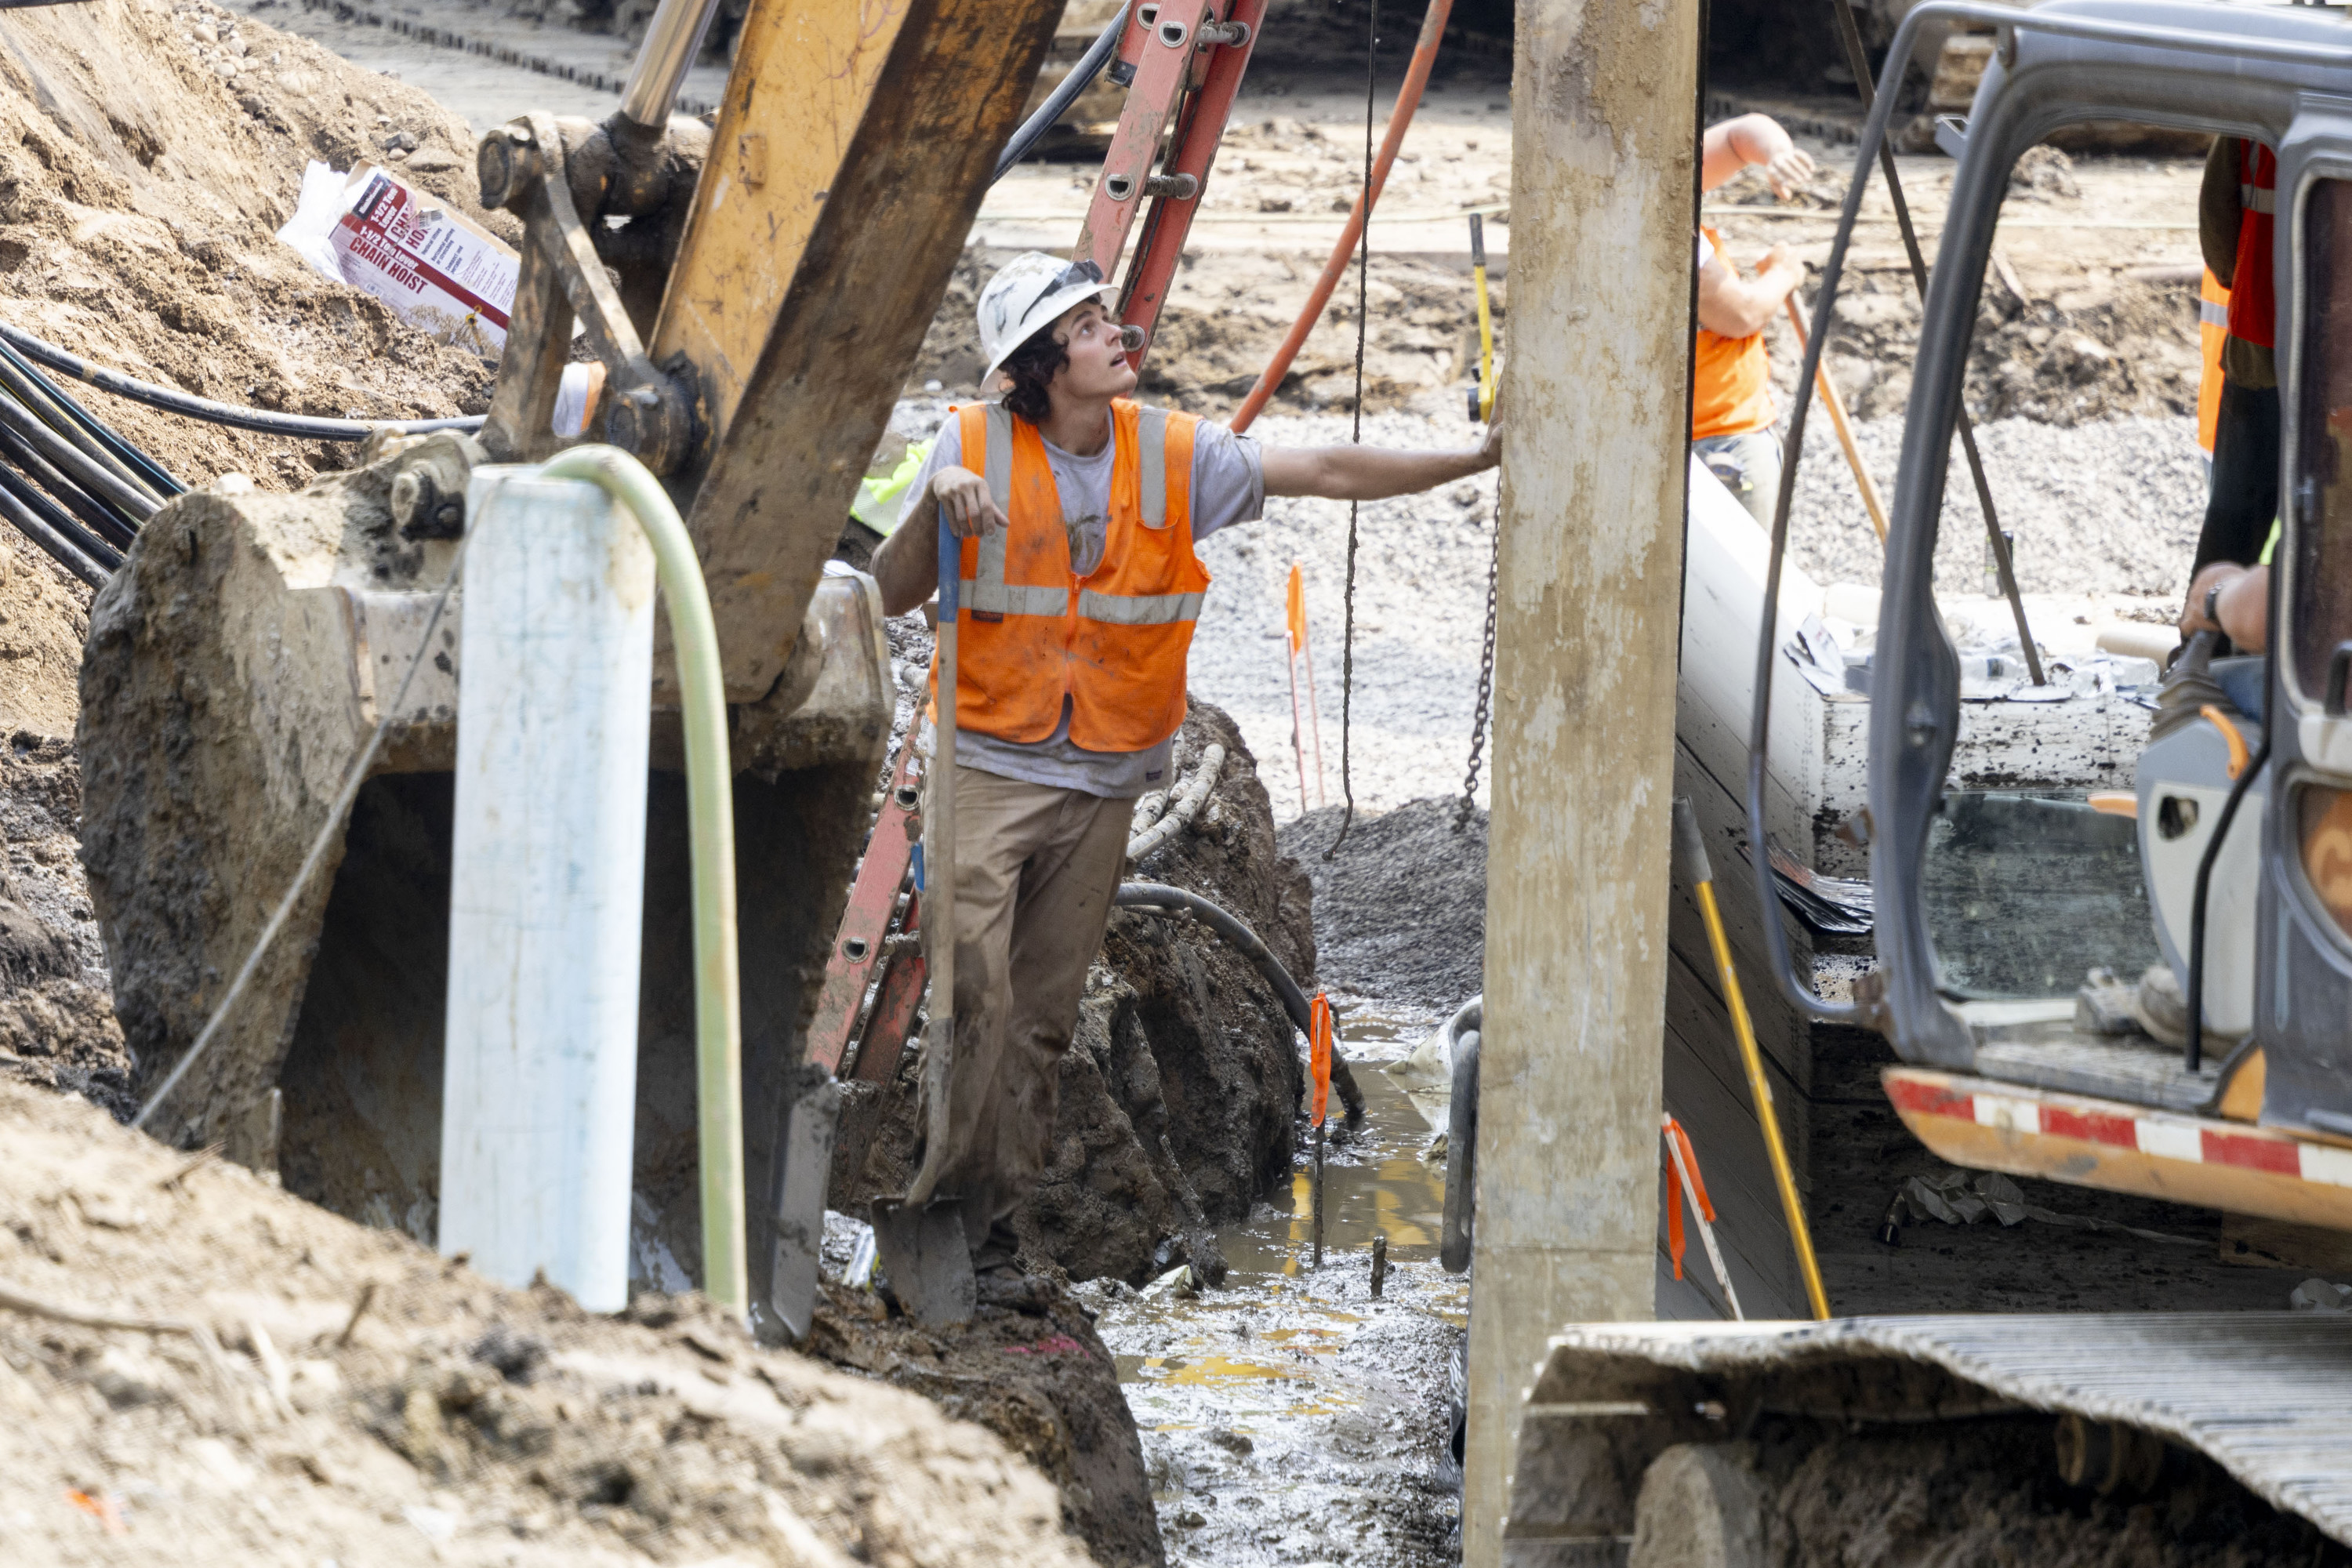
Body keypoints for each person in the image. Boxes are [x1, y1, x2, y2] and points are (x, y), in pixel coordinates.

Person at [866, 251, 1500, 1307]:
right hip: (986, 766)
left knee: (1038, 1022)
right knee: (971, 992)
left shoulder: (1172, 457)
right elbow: (889, 593)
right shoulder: (968, 447)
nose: (1121, 335)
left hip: (1103, 782)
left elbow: (1328, 469)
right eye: (1090, 326)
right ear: (1037, 363)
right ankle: (932, 1200)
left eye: (1112, 316)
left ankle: (988, 1237)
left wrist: (1473, 460)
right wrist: (937, 498)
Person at [1693, 114, 1817, 523]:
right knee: (1751, 584)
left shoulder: (1644, 176)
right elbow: (1739, 314)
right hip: (1714, 439)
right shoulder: (1652, 217)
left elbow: (1738, 136)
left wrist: (1777, 155)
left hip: (1707, 433)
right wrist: (1783, 274)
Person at [2197, 136, 2278, 575]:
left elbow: (2217, 218)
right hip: (2334, 363)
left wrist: (2244, 280)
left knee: (2235, 518)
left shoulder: (2256, 107)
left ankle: (2210, 639)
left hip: (2259, 346)